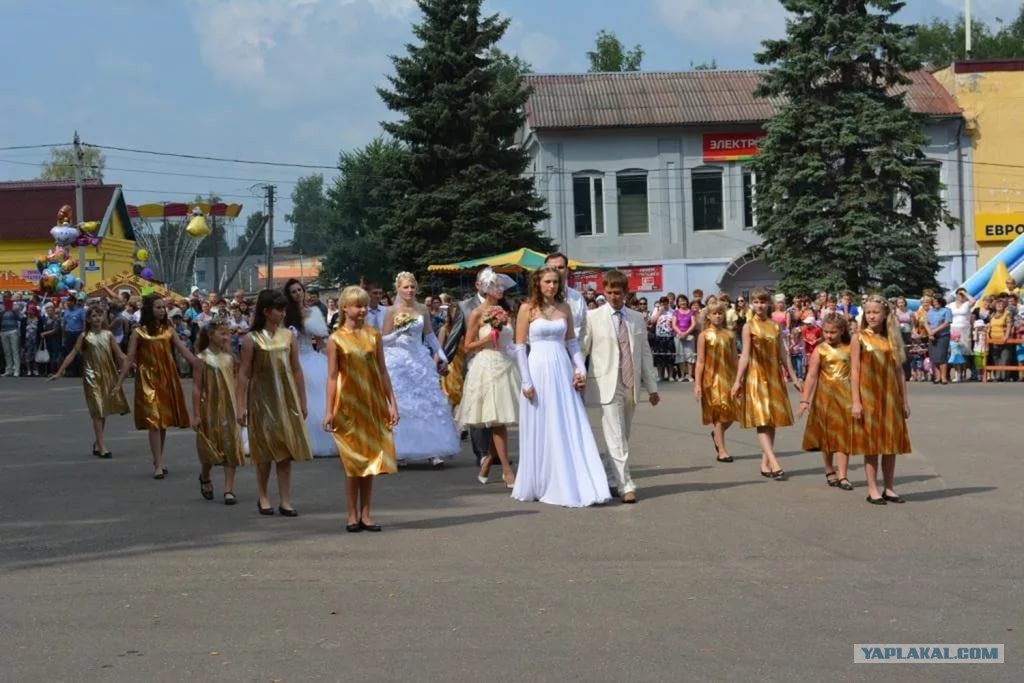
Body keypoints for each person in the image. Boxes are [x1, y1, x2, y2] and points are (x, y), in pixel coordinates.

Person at [511, 265, 611, 507]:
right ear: (538, 283)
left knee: (566, 422)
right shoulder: (527, 309)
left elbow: (573, 344)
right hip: (537, 369)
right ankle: (539, 480)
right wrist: (525, 380)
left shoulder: (564, 308)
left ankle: (569, 478)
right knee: (540, 422)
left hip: (561, 367)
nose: (552, 286)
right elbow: (520, 347)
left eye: (555, 282)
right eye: (547, 282)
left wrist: (581, 369)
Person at [324, 286, 398, 532]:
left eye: (365, 305)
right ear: (345, 307)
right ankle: (351, 514)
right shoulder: (335, 339)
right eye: (358, 305)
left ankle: (366, 514)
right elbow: (333, 377)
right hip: (347, 406)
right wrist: (329, 410)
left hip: (372, 402)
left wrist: (392, 404)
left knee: (371, 460)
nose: (363, 310)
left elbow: (383, 372)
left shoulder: (373, 335)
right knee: (352, 462)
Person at [584, 269, 659, 503]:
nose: (613, 296)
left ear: (625, 293)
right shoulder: (593, 317)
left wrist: (653, 387)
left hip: (631, 383)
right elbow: (582, 348)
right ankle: (625, 484)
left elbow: (645, 353)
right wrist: (575, 374)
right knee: (616, 434)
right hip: (606, 381)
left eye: (617, 292)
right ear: (603, 292)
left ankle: (609, 475)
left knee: (622, 435)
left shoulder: (636, 318)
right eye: (609, 292)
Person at [236, 289, 312, 516]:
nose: (282, 313)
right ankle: (263, 496)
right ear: (267, 312)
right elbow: (244, 373)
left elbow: (296, 369)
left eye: (283, 309)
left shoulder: (289, 336)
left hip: (286, 398)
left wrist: (302, 399)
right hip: (262, 399)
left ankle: (285, 500)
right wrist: (241, 405)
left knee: (285, 450)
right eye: (278, 309)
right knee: (265, 451)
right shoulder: (252, 338)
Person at [382, 272, 460, 467]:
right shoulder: (391, 311)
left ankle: (434, 450)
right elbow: (382, 340)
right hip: (399, 360)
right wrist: (399, 333)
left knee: (428, 402)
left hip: (419, 359)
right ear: (398, 289)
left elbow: (430, 335)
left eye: (412, 287)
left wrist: (442, 356)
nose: (409, 290)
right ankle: (402, 450)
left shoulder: (422, 309)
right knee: (404, 404)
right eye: (406, 287)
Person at [115, 295, 195, 478]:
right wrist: (119, 382)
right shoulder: (139, 332)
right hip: (147, 379)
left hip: (167, 378)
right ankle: (158, 464)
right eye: (158, 307)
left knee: (163, 421)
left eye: (163, 307)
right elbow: (129, 358)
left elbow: (184, 351)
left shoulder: (169, 329)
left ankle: (158, 458)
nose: (161, 310)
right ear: (149, 310)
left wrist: (199, 364)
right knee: (154, 421)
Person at [457, 268, 520, 488]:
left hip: (506, 365)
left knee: (499, 420)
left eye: (501, 285)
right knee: (498, 422)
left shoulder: (506, 311)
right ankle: (506, 470)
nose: (500, 289)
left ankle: (487, 463)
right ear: (485, 288)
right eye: (495, 285)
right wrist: (487, 340)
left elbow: (511, 341)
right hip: (486, 367)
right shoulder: (477, 313)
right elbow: (467, 347)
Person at [730, 288, 802, 480]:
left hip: (774, 377)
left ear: (769, 303)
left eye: (763, 301)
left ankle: (765, 463)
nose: (760, 305)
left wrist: (794, 378)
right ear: (751, 304)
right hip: (755, 376)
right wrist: (738, 380)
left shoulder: (775, 326)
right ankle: (775, 462)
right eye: (756, 301)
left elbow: (783, 354)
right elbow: (744, 355)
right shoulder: (748, 326)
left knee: (771, 421)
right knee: (761, 421)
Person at [851, 295, 911, 505]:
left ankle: (889, 487)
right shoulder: (859, 337)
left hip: (890, 397)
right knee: (872, 445)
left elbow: (899, 372)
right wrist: (856, 401)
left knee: (890, 444)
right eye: (868, 312)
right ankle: (872, 489)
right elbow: (855, 371)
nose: (872, 316)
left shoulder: (891, 338)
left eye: (876, 312)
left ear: (885, 314)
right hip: (868, 397)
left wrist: (904, 401)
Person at [49, 304, 130, 458]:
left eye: (100, 315)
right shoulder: (84, 336)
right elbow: (73, 353)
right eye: (93, 315)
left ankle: (97, 443)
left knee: (103, 410)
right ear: (88, 319)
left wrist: (131, 362)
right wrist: (60, 371)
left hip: (108, 375)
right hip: (91, 375)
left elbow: (120, 354)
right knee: (97, 410)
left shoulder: (108, 335)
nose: (97, 318)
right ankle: (102, 446)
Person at [797, 314, 855, 491]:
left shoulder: (850, 348)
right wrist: (805, 400)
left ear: (842, 331)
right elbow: (812, 376)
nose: (829, 335)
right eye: (826, 332)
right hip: (824, 397)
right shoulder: (820, 349)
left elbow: (857, 373)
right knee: (827, 436)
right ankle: (830, 470)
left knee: (843, 435)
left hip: (845, 397)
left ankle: (843, 475)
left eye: (833, 332)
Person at [191, 315, 244, 505]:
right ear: (211, 335)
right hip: (209, 408)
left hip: (229, 408)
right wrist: (196, 414)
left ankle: (229, 490)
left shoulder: (231, 358)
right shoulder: (201, 358)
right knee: (210, 449)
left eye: (228, 334)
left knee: (231, 445)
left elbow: (238, 383)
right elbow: (197, 387)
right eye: (222, 334)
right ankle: (205, 475)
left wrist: (240, 407)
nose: (226, 337)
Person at [442, 271, 494, 464]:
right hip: (474, 361)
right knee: (478, 406)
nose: (491, 285)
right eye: (487, 282)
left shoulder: (500, 304)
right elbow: (454, 336)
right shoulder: (464, 307)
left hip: (498, 362)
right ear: (477, 284)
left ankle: (494, 451)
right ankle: (481, 453)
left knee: (495, 406)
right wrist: (443, 359)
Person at [283, 279, 335, 457]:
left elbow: (320, 341)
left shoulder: (313, 312)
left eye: (300, 290)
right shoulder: (285, 314)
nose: (298, 294)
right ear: (289, 295)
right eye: (293, 291)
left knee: (318, 397)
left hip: (311, 357)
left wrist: (333, 357)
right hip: (292, 359)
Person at [694, 301, 738, 463]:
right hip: (710, 380)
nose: (718, 316)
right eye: (714, 313)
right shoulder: (703, 335)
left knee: (733, 412)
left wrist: (740, 378)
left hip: (729, 378)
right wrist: (697, 384)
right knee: (718, 414)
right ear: (708, 315)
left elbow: (735, 359)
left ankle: (717, 435)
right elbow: (700, 361)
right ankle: (722, 451)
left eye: (720, 313)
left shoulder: (730, 335)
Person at [544, 252, 589, 351]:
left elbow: (586, 328)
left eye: (560, 267)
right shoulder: (537, 299)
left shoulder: (577, 297)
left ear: (567, 271)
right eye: (552, 268)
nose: (557, 271)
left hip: (575, 354)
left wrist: (581, 355)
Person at [925, 295, 952, 385]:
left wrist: (934, 332)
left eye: (937, 301)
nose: (935, 303)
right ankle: (937, 377)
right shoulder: (930, 311)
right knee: (934, 358)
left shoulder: (946, 311)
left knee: (942, 357)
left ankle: (944, 378)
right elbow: (926, 323)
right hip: (932, 336)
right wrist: (930, 333)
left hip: (943, 336)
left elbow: (946, 323)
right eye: (934, 302)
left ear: (941, 302)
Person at [671, 294, 697, 382]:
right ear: (677, 303)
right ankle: (682, 375)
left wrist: (686, 333)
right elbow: (674, 325)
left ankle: (689, 376)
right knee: (680, 356)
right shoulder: (676, 312)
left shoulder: (691, 312)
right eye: (680, 301)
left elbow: (693, 324)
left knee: (690, 355)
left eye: (684, 300)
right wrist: (680, 333)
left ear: (687, 301)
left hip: (689, 336)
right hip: (678, 336)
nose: (682, 302)